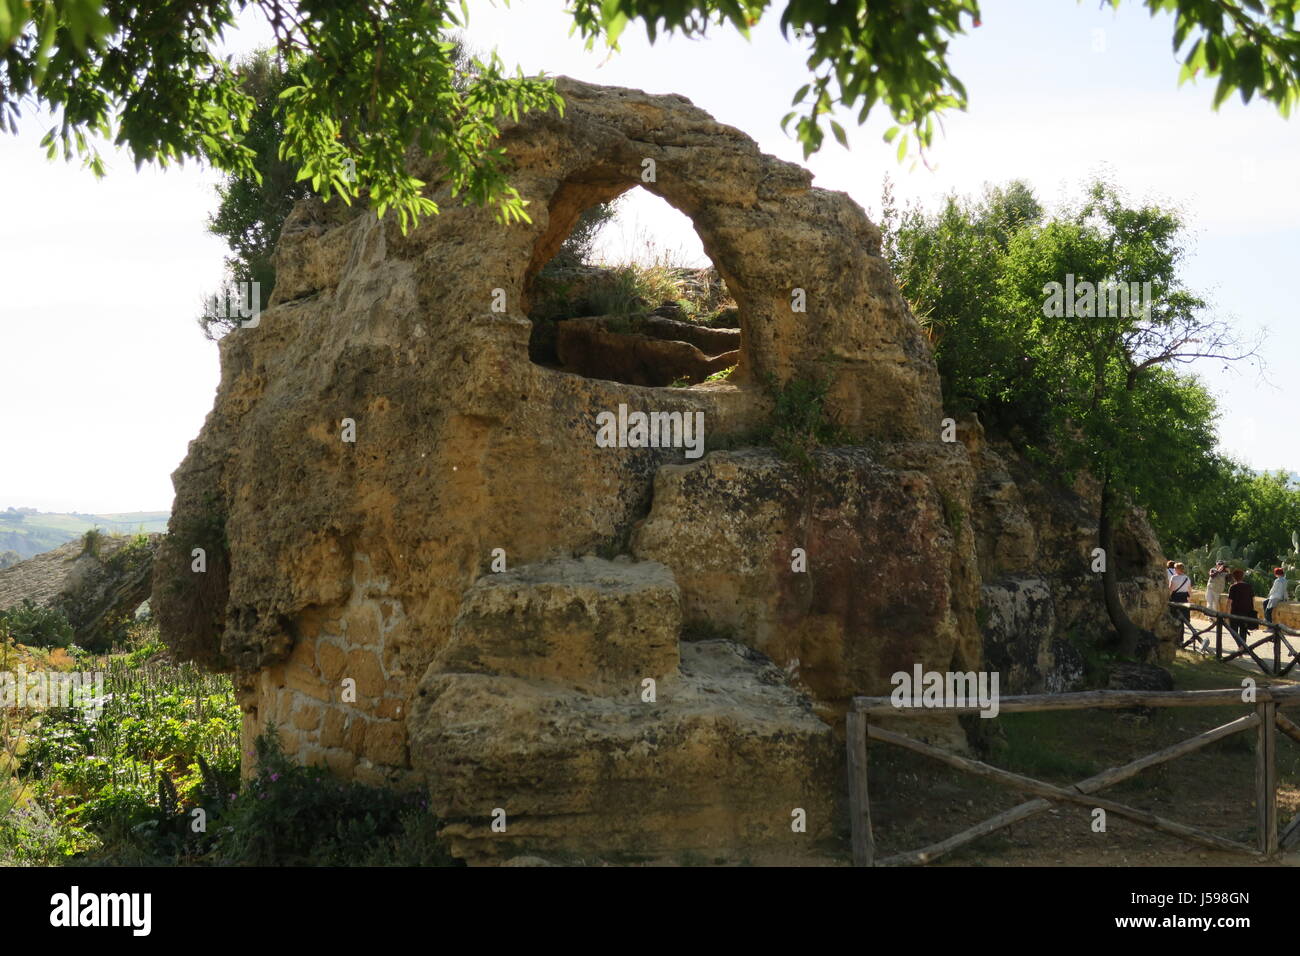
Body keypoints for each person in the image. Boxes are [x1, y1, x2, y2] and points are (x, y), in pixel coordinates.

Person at [1228, 568, 1257, 642]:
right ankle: (1242, 647)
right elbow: (1253, 599)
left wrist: (1226, 614)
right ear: (1242, 576)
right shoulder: (1249, 586)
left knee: (1233, 630)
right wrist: (1253, 611)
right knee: (1243, 630)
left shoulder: (1233, 587)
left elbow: (1229, 602)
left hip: (1235, 612)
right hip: (1247, 611)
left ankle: (1241, 647)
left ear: (1234, 577)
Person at [1169, 562, 1192, 631]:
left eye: (1175, 568)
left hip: (1175, 597)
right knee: (1183, 615)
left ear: (1178, 569)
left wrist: (1168, 597)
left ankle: (1176, 631)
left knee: (1175, 615)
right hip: (1184, 598)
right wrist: (1190, 598)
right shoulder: (1187, 578)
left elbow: (1171, 589)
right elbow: (1189, 590)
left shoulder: (1174, 578)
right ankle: (1181, 631)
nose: (1174, 569)